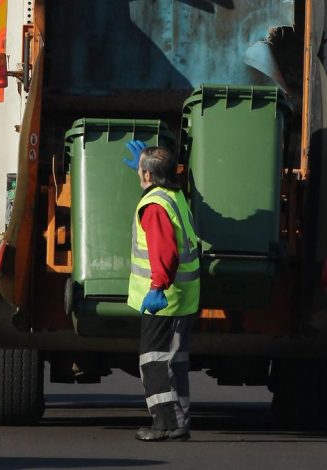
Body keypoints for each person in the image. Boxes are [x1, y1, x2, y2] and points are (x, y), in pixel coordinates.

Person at [123, 140, 200, 442]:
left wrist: (157, 287)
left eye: (142, 170)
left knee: (154, 361)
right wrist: (147, 169)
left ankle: (164, 423)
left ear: (149, 176)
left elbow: (164, 253)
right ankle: (179, 421)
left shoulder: (154, 206)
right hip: (183, 296)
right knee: (175, 362)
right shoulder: (175, 196)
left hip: (163, 300)